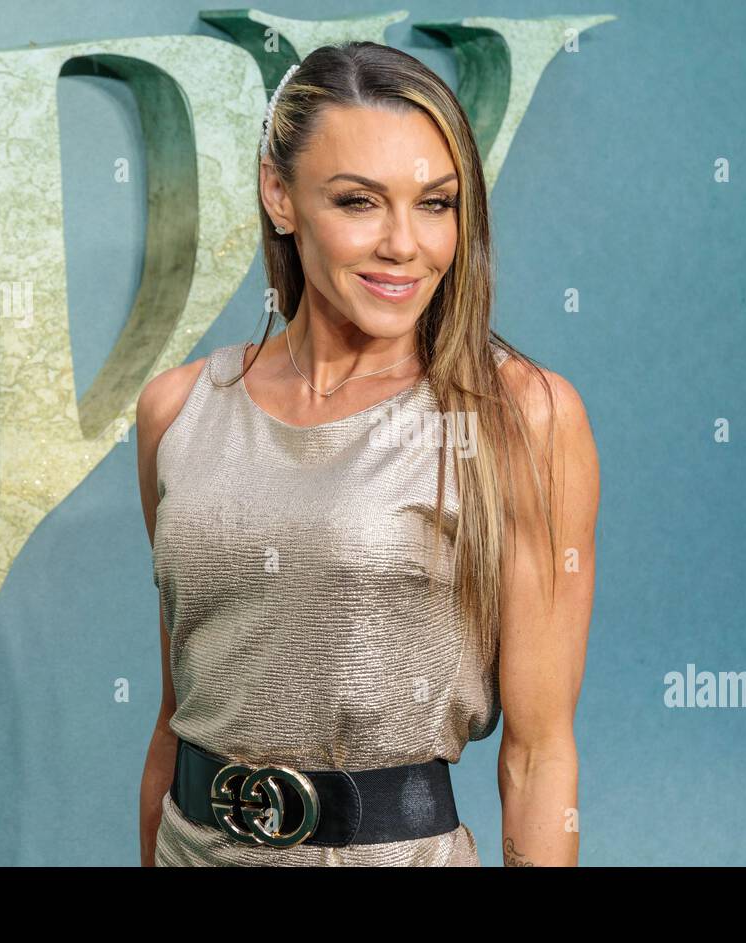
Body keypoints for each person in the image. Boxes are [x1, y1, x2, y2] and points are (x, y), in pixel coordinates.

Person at [135, 41, 599, 866]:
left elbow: (538, 758)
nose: (403, 244)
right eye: (359, 201)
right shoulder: (177, 413)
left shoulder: (519, 415)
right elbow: (181, 716)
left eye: (435, 204)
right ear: (280, 195)